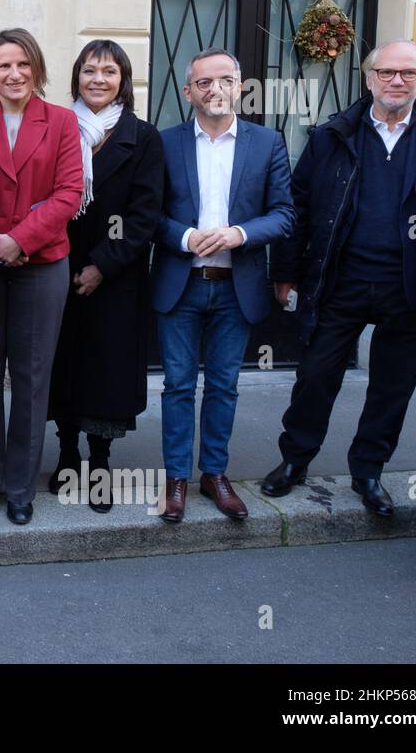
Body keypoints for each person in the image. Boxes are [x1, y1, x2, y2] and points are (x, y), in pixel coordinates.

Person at [264, 40, 416, 516]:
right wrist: (287, 272)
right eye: (387, 72)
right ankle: (295, 460)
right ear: (368, 77)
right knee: (315, 377)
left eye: (408, 73)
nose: (397, 81)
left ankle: (369, 472)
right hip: (341, 281)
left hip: (413, 289)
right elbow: (299, 206)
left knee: (391, 388)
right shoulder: (334, 135)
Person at [152, 48, 293, 524]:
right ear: (188, 91)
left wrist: (240, 233)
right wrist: (186, 237)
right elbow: (147, 214)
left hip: (238, 286)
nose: (215, 89)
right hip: (182, 283)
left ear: (239, 86)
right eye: (204, 82)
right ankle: (176, 477)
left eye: (225, 80)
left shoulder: (266, 142)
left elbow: (285, 214)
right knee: (176, 386)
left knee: (224, 386)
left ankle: (214, 473)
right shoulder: (165, 143)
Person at [0, 29, 82, 524]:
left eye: (23, 64)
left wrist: (21, 239)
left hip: (42, 265)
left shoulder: (63, 122)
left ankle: (21, 487)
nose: (14, 74)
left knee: (31, 376)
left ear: (37, 69)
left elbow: (69, 194)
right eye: (4, 65)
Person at [48, 40, 164, 512]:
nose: (98, 79)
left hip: (116, 277)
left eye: (109, 72)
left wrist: (102, 265)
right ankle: (66, 453)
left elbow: (146, 214)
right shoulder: (58, 126)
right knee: (63, 366)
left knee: (106, 372)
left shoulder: (144, 136)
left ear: (124, 80)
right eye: (90, 70)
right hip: (57, 266)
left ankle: (99, 462)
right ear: (76, 75)